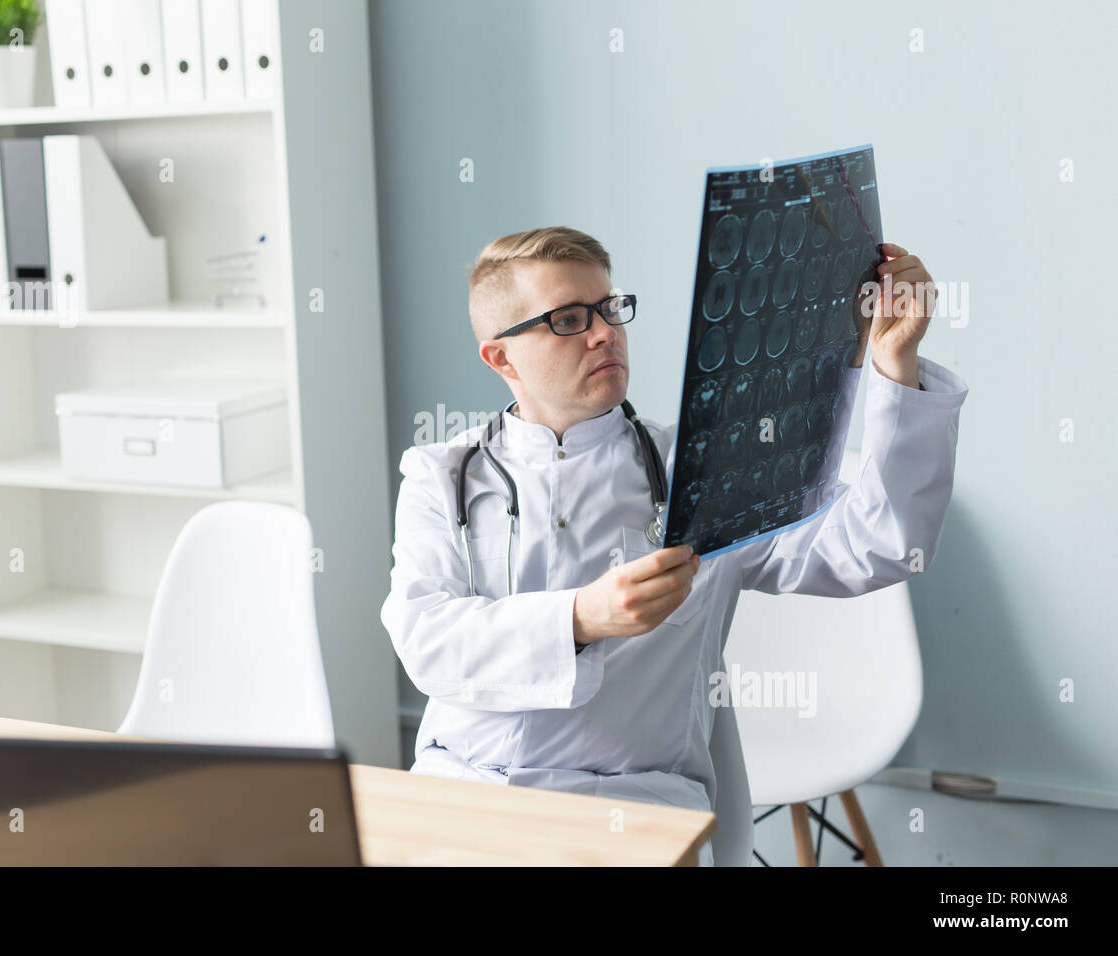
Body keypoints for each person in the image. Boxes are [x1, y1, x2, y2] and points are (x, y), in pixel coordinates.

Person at [379, 226, 969, 867]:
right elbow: (424, 638)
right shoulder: (440, 474)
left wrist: (895, 363)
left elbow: (881, 543)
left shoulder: (702, 471)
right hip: (467, 798)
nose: (604, 332)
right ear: (501, 359)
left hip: (631, 809)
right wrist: (581, 618)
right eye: (569, 320)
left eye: (609, 310)